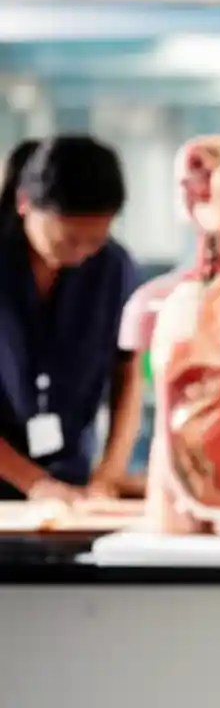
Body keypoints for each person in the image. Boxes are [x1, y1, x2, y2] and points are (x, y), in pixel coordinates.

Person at [0, 136, 142, 503]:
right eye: (67, 239)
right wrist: (33, 482)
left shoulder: (114, 268)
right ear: (24, 204)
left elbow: (128, 374)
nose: (80, 254)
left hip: (73, 483)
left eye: (94, 240)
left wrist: (109, 475)